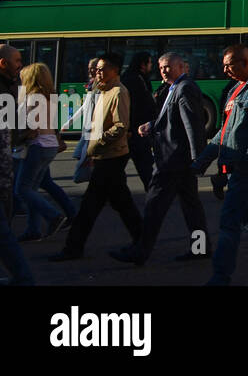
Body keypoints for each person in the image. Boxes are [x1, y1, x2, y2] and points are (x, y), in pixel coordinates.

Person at [192, 43, 248, 286]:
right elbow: (223, 132)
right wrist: (203, 160)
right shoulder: (236, 90)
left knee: (229, 223)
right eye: (224, 65)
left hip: (245, 169)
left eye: (229, 65)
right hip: (234, 167)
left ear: (245, 62)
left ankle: (221, 277)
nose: (225, 70)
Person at [110, 52, 209, 265]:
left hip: (173, 161)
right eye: (161, 67)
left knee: (154, 206)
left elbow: (192, 126)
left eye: (168, 67)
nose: (163, 71)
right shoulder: (175, 87)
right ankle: (200, 248)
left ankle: (141, 251)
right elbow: (173, 120)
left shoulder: (185, 88)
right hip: (179, 161)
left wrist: (198, 159)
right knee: (192, 208)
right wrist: (153, 125)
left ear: (181, 67)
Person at [52, 53, 143, 262]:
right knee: (121, 203)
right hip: (104, 155)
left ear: (115, 70)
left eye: (102, 69)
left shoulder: (119, 92)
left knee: (91, 206)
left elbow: (121, 126)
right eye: (97, 69)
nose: (97, 72)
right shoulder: (103, 90)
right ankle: (142, 241)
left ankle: (73, 248)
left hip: (112, 155)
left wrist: (98, 144)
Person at [14, 62, 72, 241]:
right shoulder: (50, 97)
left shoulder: (33, 98)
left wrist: (16, 138)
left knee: (22, 189)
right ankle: (33, 229)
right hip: (50, 145)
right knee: (32, 188)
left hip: (37, 145)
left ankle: (53, 216)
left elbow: (32, 129)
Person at [0, 42, 36, 285]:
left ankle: (22, 277)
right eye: (16, 61)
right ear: (3, 63)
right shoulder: (10, 88)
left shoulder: (10, 87)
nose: (20, 65)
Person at [121, 52, 157, 193]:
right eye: (149, 63)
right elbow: (140, 106)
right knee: (146, 167)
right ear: (143, 65)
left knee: (117, 168)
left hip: (132, 131)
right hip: (136, 131)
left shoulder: (128, 77)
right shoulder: (137, 80)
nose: (151, 66)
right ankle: (154, 194)